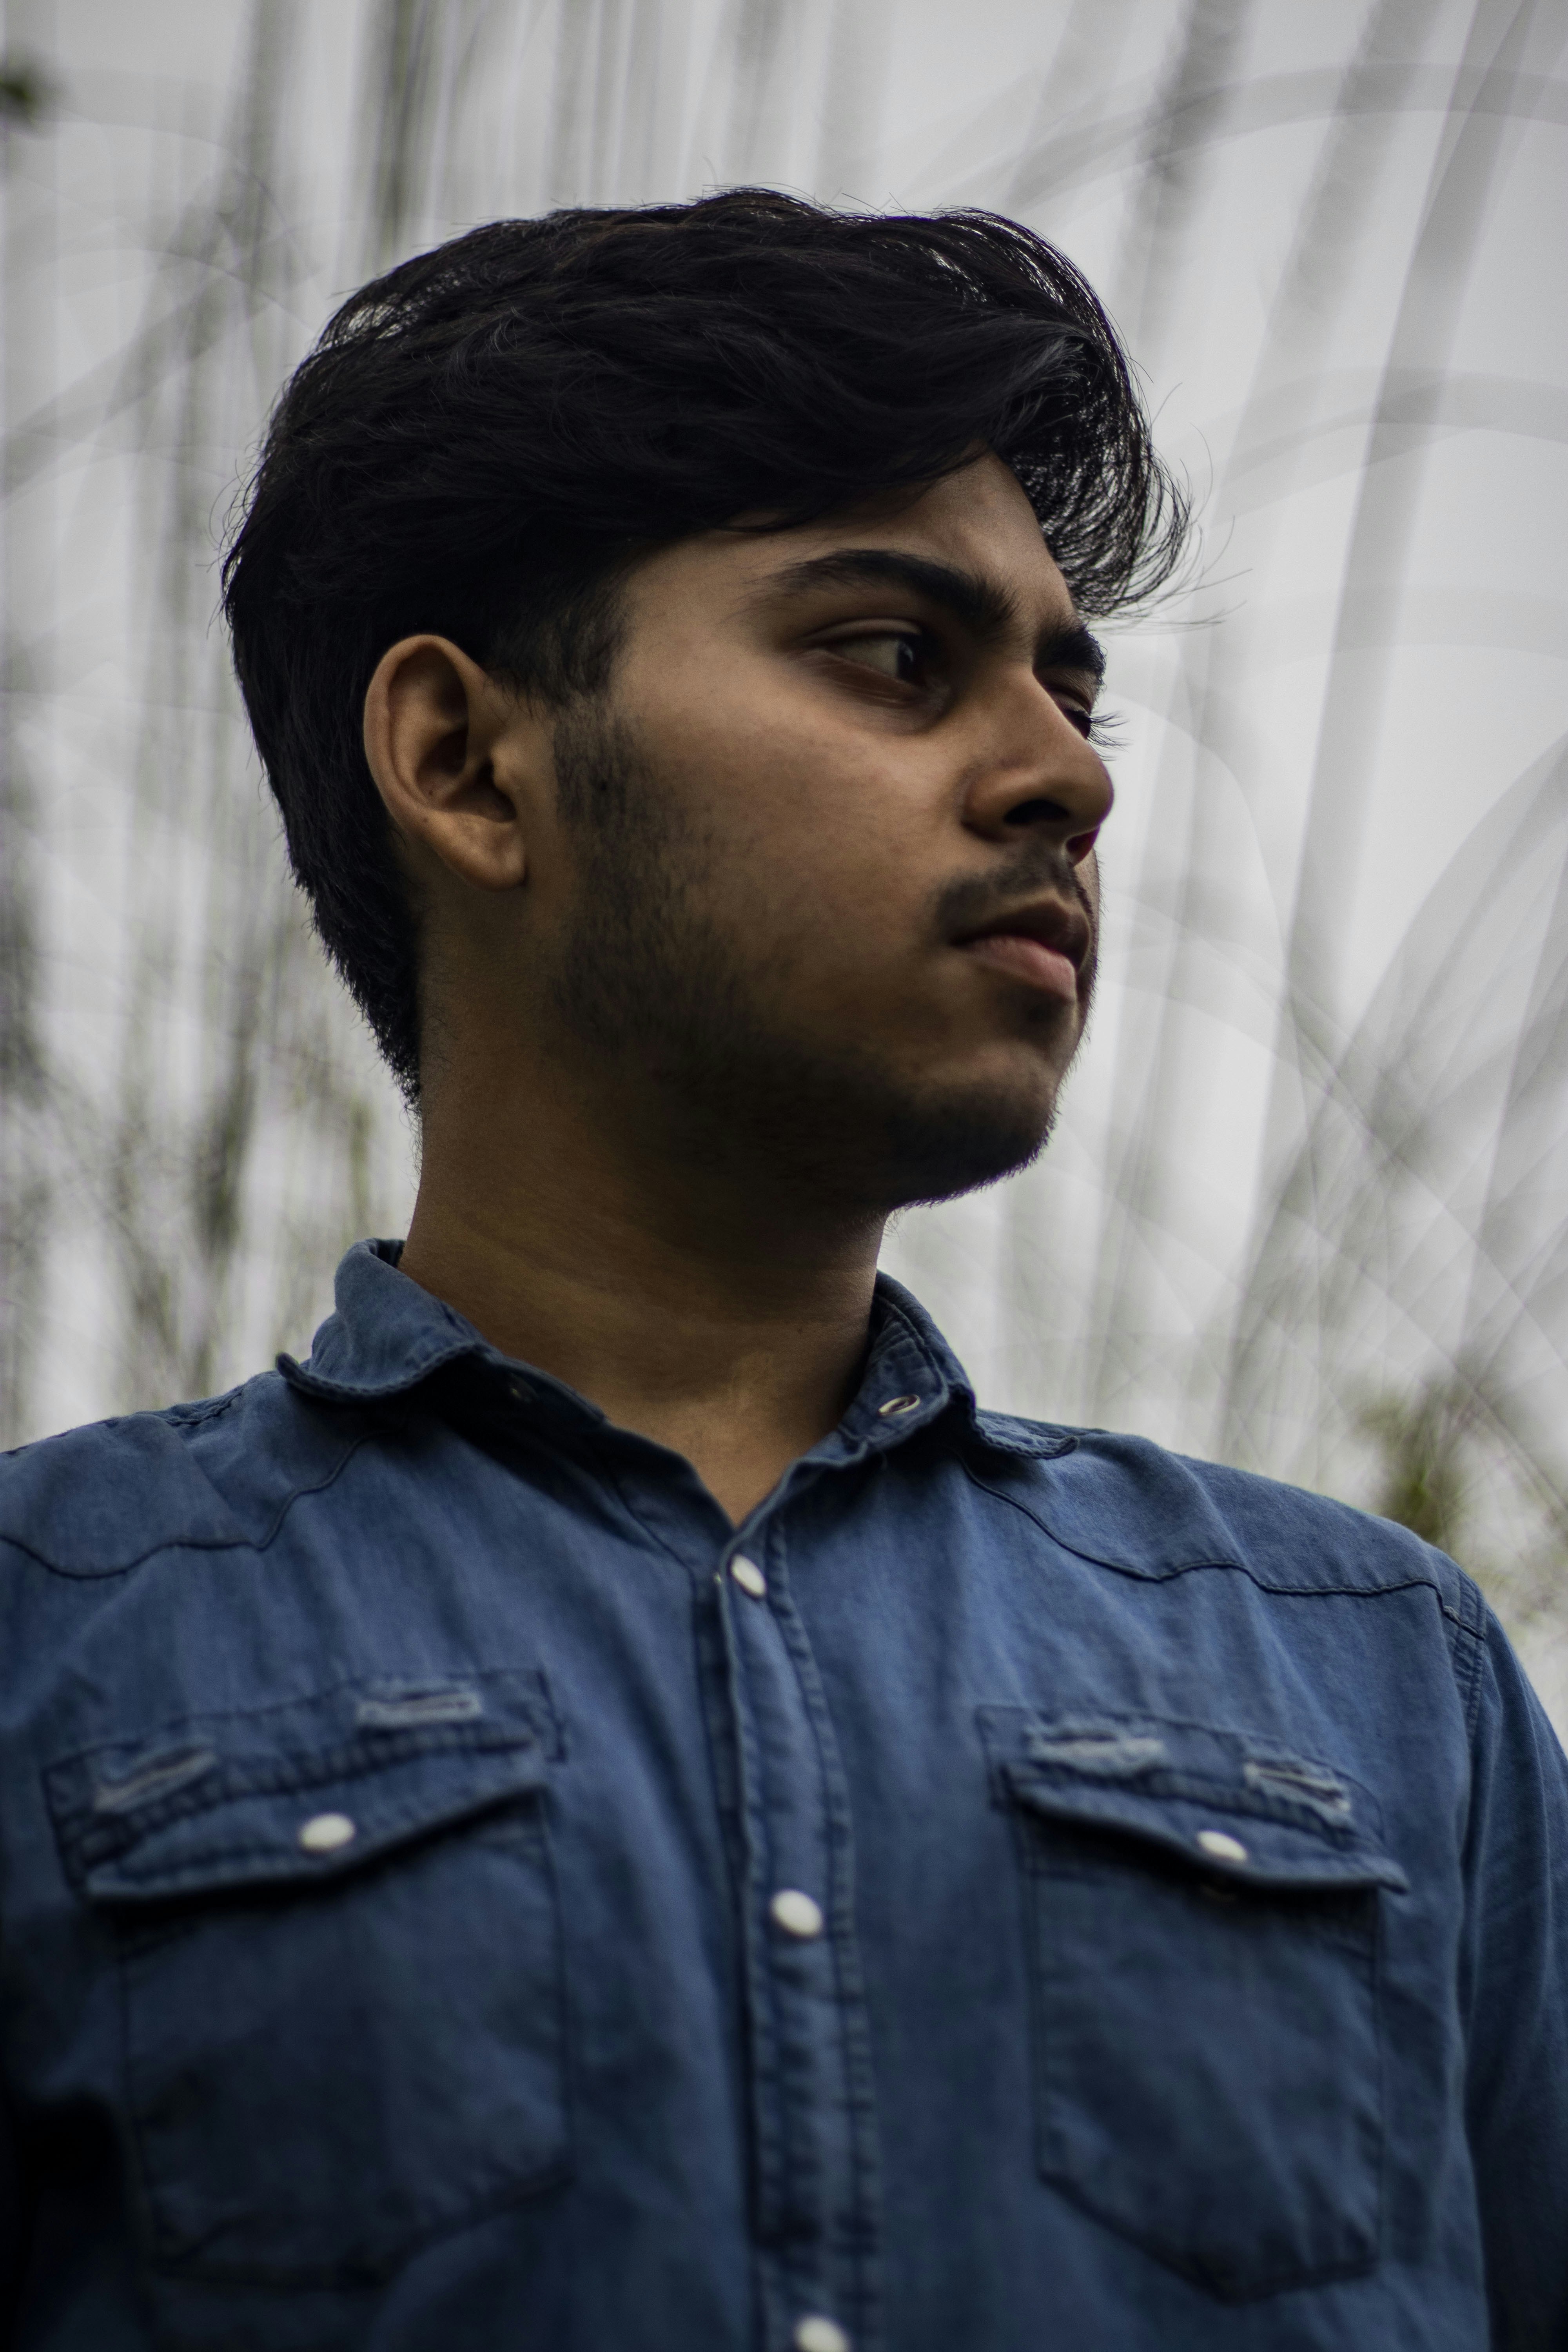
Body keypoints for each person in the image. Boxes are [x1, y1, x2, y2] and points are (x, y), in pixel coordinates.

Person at [0, 191, 1562, 2352]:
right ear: (466, 762)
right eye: (897, 658)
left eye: (1072, 683)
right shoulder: (50, 1641)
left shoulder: (1386, 1682)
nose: (1070, 777)